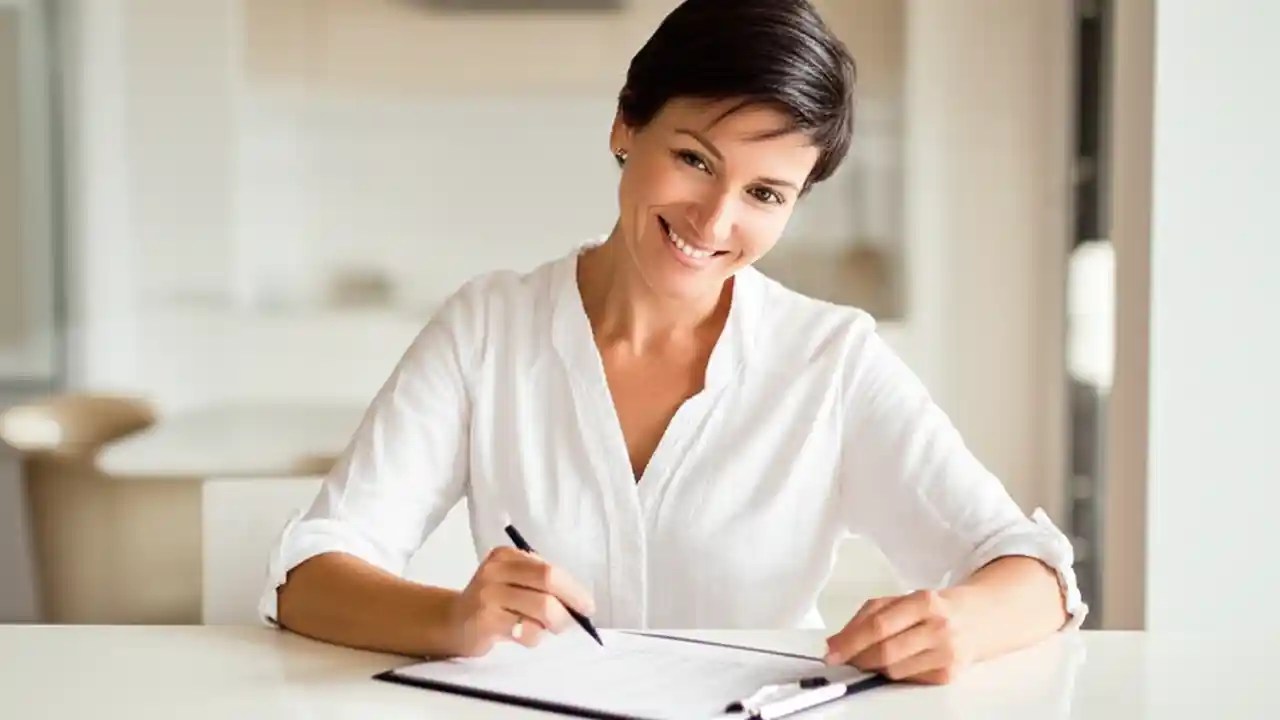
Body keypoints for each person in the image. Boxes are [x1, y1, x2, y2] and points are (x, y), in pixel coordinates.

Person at [261, 0, 1086, 685]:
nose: (715, 221)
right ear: (626, 126)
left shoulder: (829, 360)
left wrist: (957, 622)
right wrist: (450, 615)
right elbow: (311, 574)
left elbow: (1033, 571)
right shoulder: (487, 330)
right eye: (694, 159)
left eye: (765, 192)